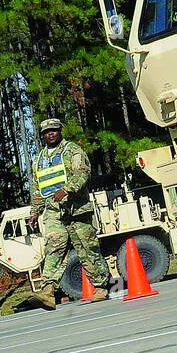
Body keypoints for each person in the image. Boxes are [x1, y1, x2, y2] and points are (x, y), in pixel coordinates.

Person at [28, 118, 109, 308]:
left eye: (54, 130)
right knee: (53, 248)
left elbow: (82, 173)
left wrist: (67, 189)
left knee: (87, 248)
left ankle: (100, 286)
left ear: (60, 131)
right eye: (47, 132)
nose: (51, 134)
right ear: (42, 136)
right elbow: (37, 189)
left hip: (76, 210)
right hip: (54, 213)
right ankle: (48, 291)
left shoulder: (71, 150)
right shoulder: (38, 160)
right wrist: (34, 212)